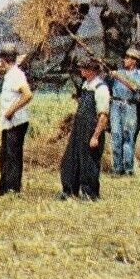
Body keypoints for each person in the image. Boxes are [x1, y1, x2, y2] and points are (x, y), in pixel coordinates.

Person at [60, 55, 110, 201]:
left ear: (92, 71)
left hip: (91, 129)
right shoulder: (86, 85)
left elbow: (103, 116)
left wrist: (95, 136)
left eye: (84, 68)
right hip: (79, 128)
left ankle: (90, 194)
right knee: (70, 160)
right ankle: (69, 191)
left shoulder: (101, 89)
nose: (81, 70)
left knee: (89, 162)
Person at [0, 43, 33, 196]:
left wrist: (11, 111)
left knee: (12, 156)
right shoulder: (11, 74)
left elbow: (27, 95)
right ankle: (5, 187)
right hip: (10, 123)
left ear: (4, 59)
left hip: (16, 122)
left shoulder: (16, 75)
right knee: (6, 155)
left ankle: (12, 188)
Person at [108, 47, 140, 176]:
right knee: (116, 136)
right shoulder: (118, 72)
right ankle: (117, 168)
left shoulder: (139, 74)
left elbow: (134, 87)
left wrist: (119, 77)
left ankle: (128, 169)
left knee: (128, 136)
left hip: (129, 107)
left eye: (128, 58)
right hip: (115, 106)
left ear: (134, 61)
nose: (125, 60)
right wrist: (110, 75)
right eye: (125, 57)